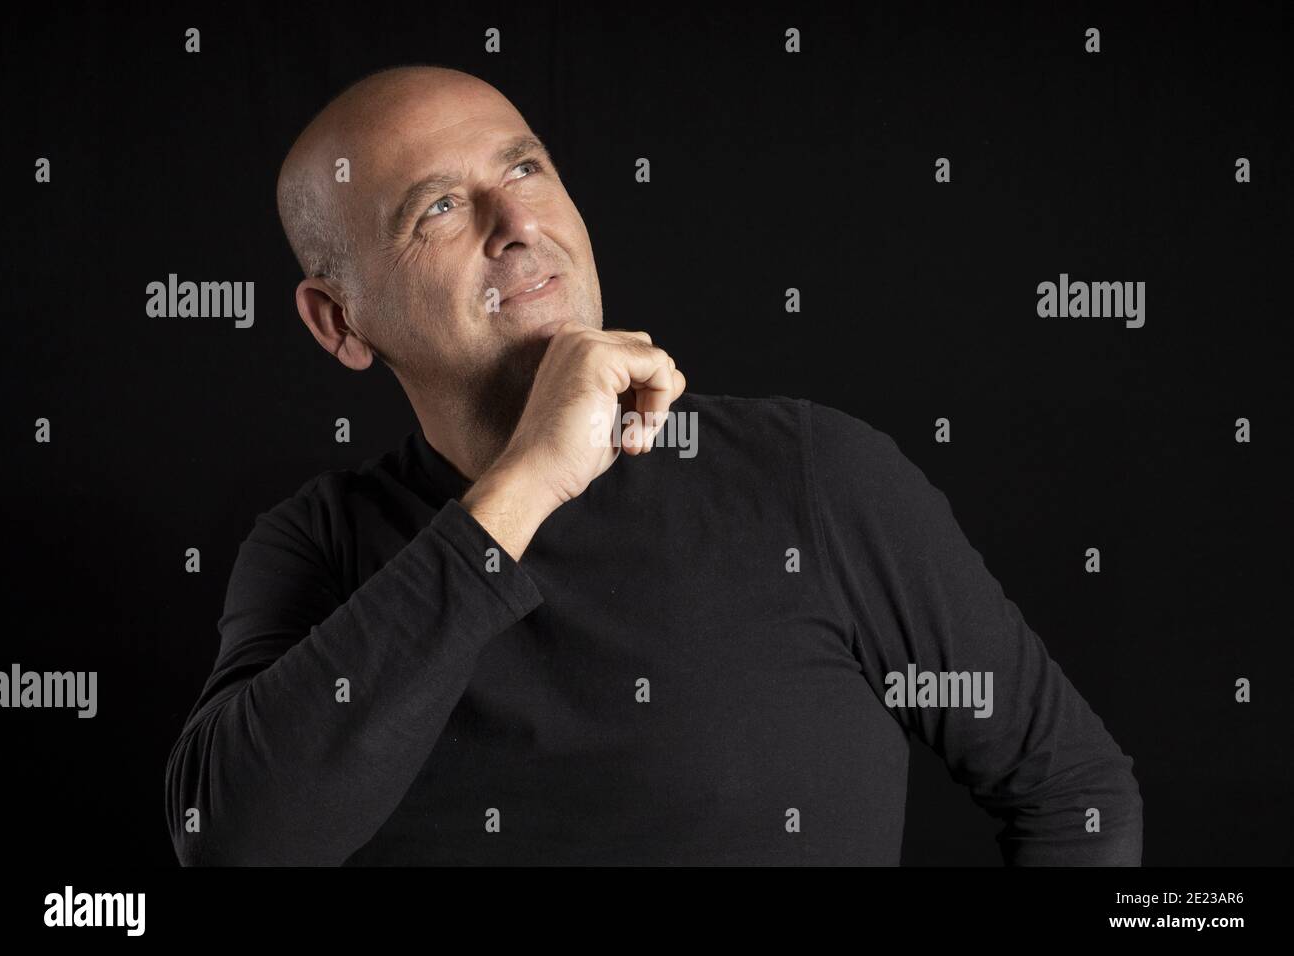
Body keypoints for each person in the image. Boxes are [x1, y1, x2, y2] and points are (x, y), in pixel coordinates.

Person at [164, 64, 1143, 865]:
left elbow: (1073, 795)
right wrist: (521, 488)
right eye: (440, 208)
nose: (516, 222)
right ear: (340, 322)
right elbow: (233, 844)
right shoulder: (319, 545)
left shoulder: (813, 477)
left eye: (528, 169)